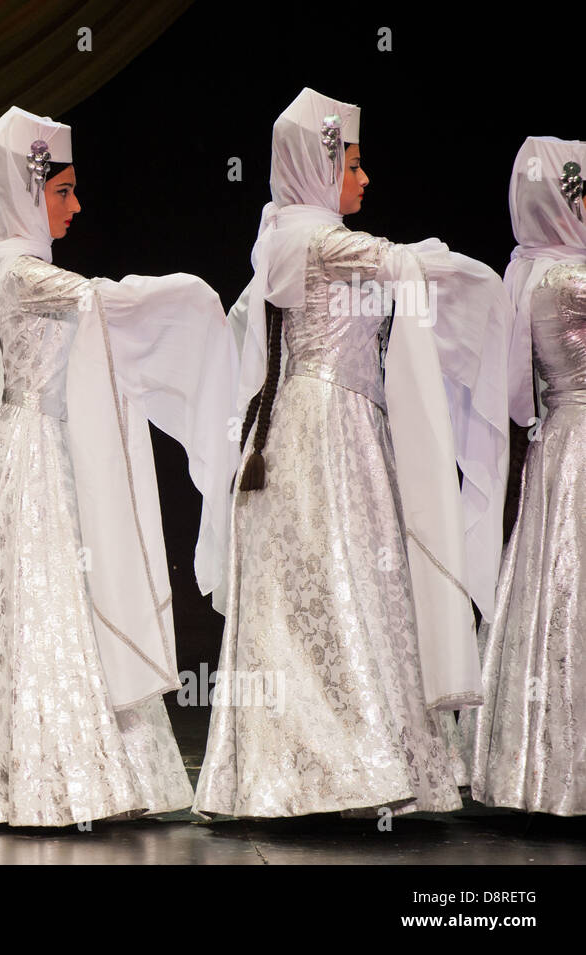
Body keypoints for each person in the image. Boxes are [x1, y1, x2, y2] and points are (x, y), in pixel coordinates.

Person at [194, 88, 510, 818]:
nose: (365, 181)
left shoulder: (293, 235)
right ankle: (337, 770)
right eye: (354, 165)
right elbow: (393, 263)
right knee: (330, 594)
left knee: (338, 598)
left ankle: (330, 767)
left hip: (333, 432)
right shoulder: (306, 238)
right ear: (321, 162)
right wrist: (450, 269)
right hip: (324, 432)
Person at [0, 106, 236, 827]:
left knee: (42, 602)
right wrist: (191, 298)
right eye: (62, 190)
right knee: (44, 599)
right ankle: (48, 773)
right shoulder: (21, 274)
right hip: (32, 455)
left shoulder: (12, 269)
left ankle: (40, 767)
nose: (76, 204)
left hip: (29, 449)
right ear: (25, 191)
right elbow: (105, 302)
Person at [467, 136, 586, 815]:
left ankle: (537, 770)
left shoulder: (529, 275)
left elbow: (517, 397)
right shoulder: (570, 280)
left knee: (547, 596)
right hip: (577, 440)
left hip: (553, 446)